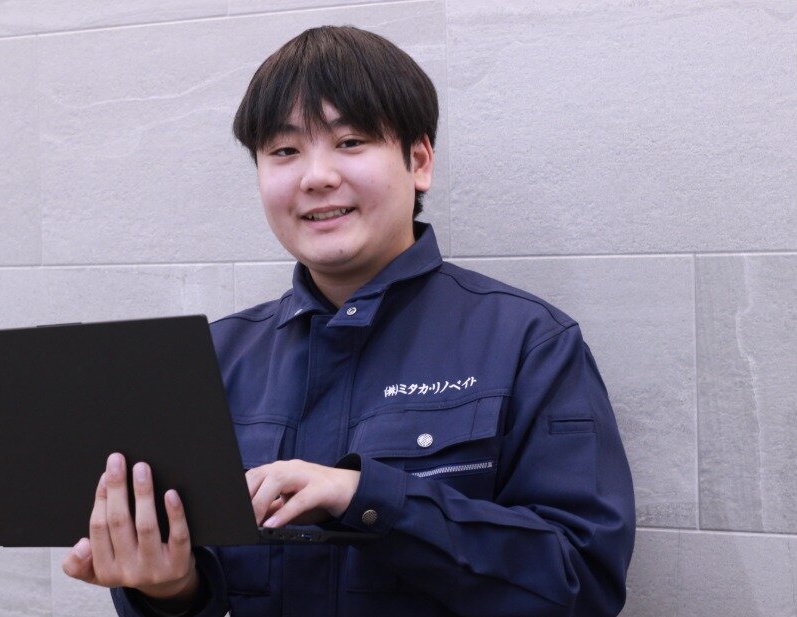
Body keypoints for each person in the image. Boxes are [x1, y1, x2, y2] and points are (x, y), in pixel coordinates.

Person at [62, 26, 635, 617]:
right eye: (284, 151)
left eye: (350, 141)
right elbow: (201, 582)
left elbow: (583, 582)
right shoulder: (213, 358)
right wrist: (167, 590)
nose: (316, 176)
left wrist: (367, 497)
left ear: (418, 161)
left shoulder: (529, 342)